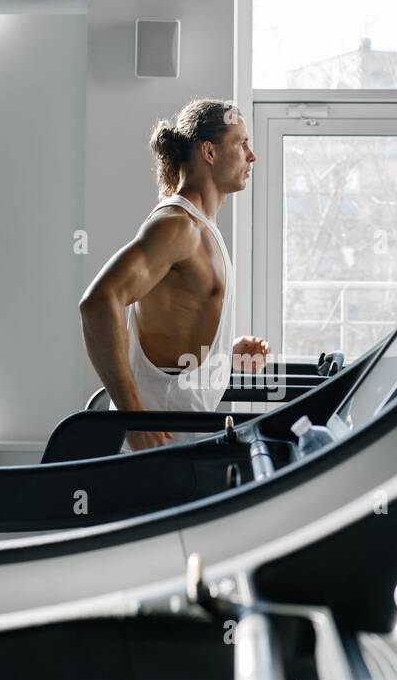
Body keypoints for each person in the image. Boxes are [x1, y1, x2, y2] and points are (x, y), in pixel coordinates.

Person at [79, 98, 270, 451]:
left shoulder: (202, 226)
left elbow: (170, 338)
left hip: (184, 442)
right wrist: (133, 419)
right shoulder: (178, 226)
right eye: (241, 143)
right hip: (158, 449)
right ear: (209, 152)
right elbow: (98, 302)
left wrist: (224, 356)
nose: (251, 155)